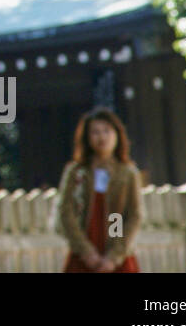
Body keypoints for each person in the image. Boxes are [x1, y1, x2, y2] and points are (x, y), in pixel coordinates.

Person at [57, 108, 142, 272]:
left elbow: (134, 215)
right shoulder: (76, 172)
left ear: (117, 134)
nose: (102, 137)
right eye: (95, 132)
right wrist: (86, 251)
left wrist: (114, 255)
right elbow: (65, 212)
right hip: (84, 251)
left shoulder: (127, 173)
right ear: (87, 138)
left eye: (106, 131)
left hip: (116, 247)